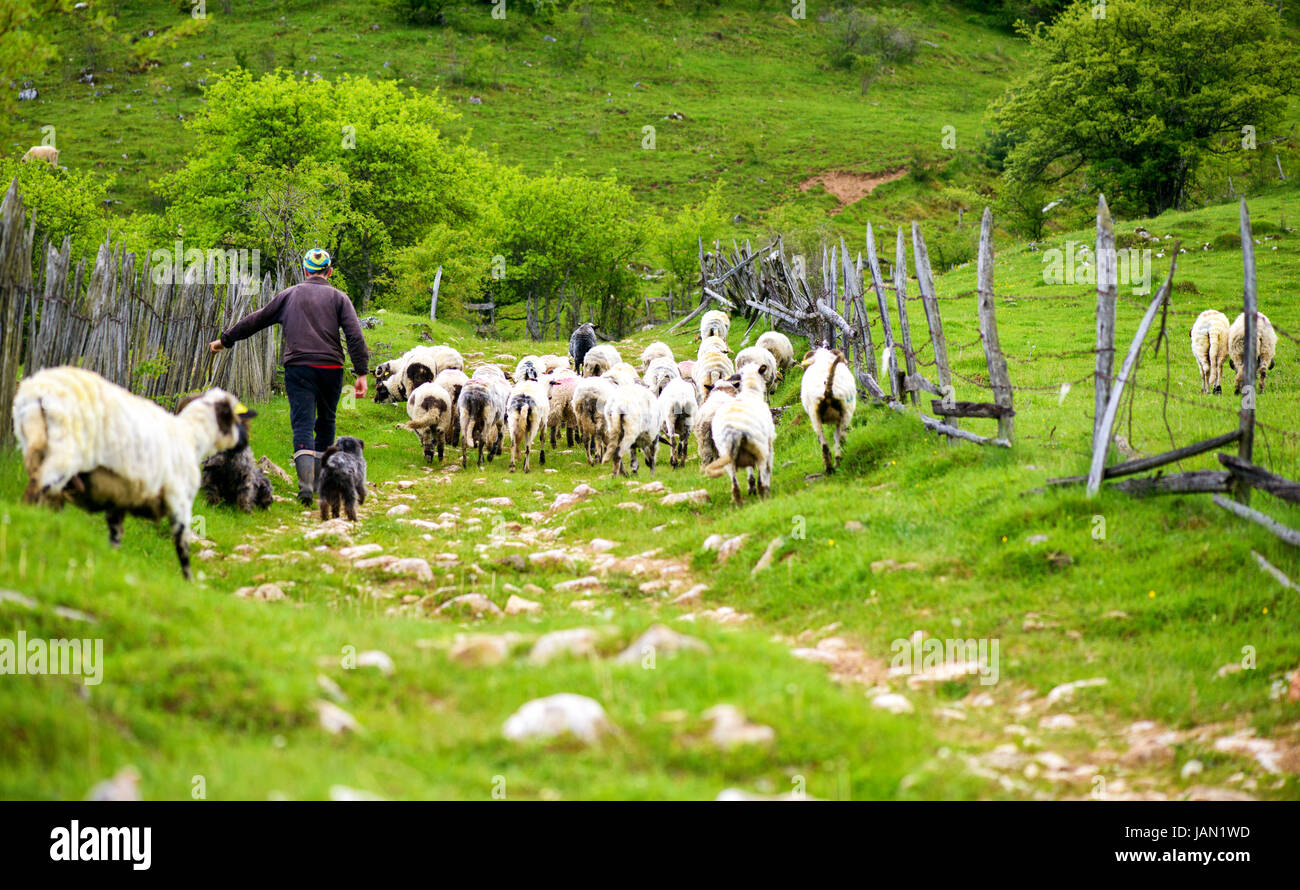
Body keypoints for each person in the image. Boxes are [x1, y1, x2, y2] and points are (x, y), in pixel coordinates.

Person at [209, 248, 368, 506]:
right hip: (331, 369)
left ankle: (304, 486)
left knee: (302, 423)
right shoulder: (340, 298)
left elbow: (256, 320)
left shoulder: (289, 295)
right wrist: (361, 372)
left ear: (305, 270)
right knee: (326, 421)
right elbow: (354, 335)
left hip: (298, 367)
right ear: (329, 272)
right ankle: (318, 483)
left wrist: (225, 340)